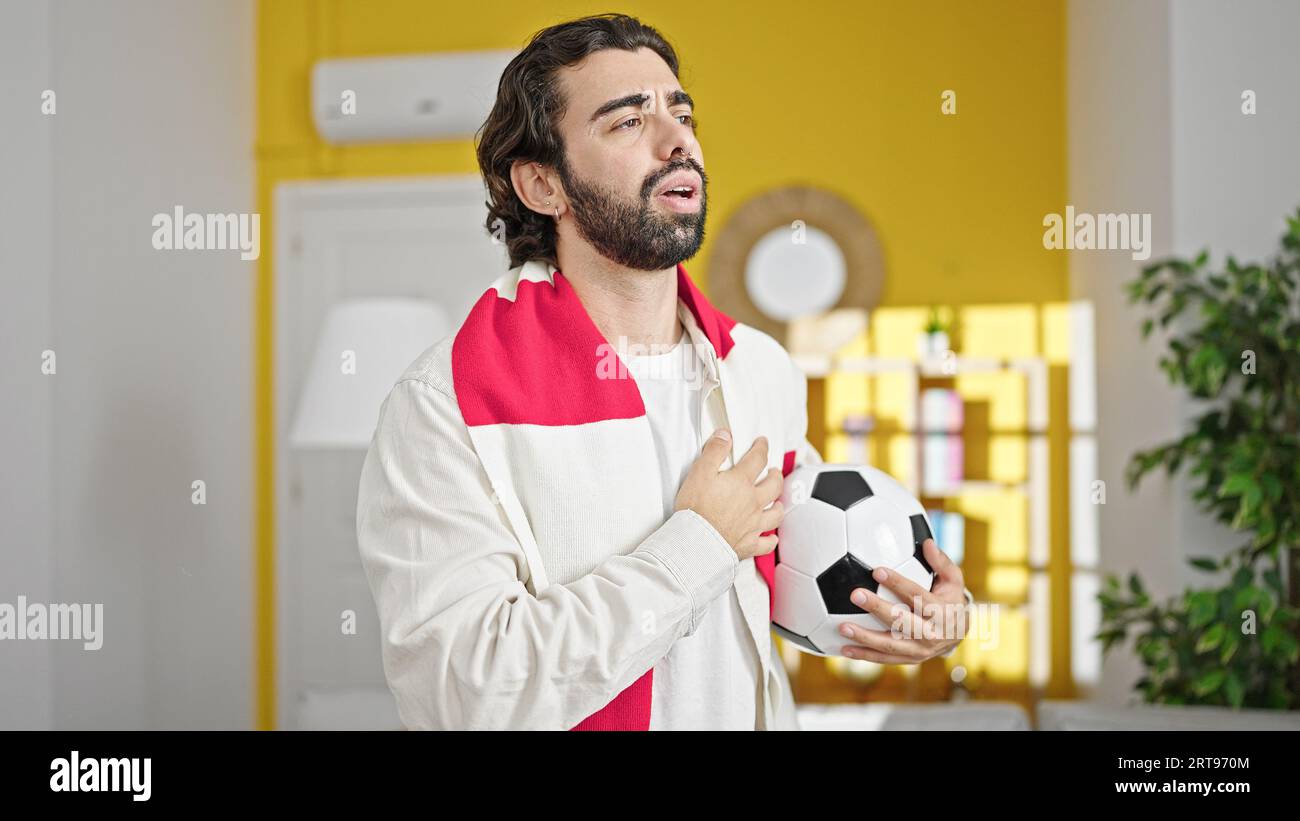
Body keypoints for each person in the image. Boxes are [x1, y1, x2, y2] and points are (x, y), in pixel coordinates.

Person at [356, 13, 969, 731]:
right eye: (626, 122)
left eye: (681, 113)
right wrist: (697, 545)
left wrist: (905, 610)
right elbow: (466, 692)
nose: (678, 139)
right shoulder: (444, 406)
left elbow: (784, 583)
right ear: (542, 184)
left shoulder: (758, 369)